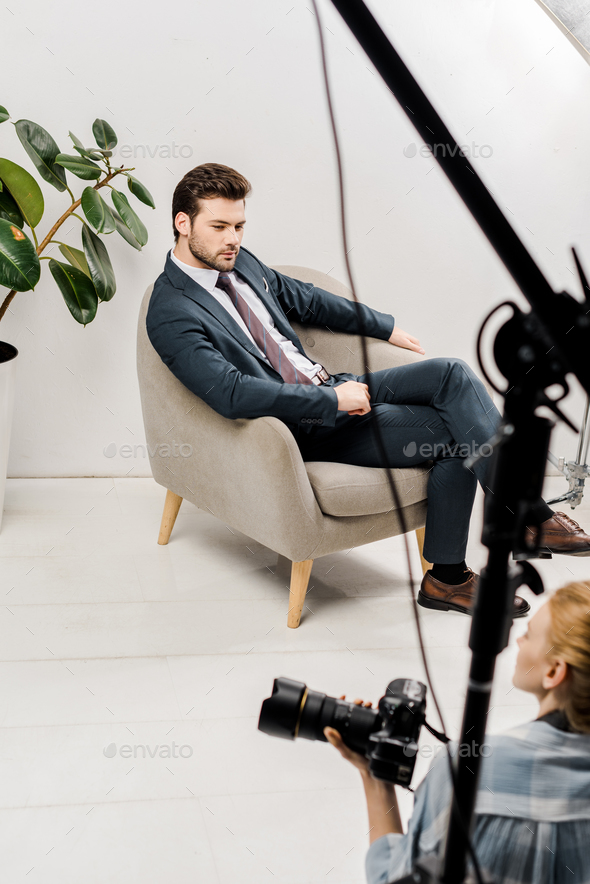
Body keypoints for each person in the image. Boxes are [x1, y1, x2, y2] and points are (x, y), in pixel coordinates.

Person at [146, 162, 590, 616]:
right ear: (183, 223)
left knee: (451, 374)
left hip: (335, 385)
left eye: (239, 225)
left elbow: (309, 298)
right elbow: (231, 393)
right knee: (461, 432)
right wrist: (330, 400)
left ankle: (500, 540)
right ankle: (469, 563)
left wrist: (386, 327)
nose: (232, 238)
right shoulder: (171, 310)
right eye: (218, 226)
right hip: (308, 423)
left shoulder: (242, 262)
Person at [325, 580, 590, 883]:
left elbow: (397, 878)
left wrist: (376, 783)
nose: (518, 641)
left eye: (528, 635)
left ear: (554, 672)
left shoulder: (469, 769)